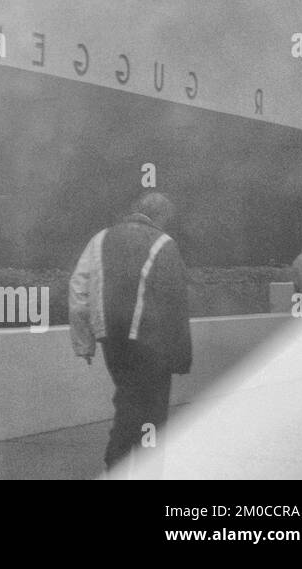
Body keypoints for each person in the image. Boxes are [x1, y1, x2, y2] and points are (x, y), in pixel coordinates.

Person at [69, 192, 191, 478]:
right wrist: (180, 356)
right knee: (151, 413)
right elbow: (176, 304)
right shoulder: (164, 243)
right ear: (161, 217)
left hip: (111, 339)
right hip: (152, 344)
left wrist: (85, 343)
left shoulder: (100, 239)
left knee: (128, 401)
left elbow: (78, 291)